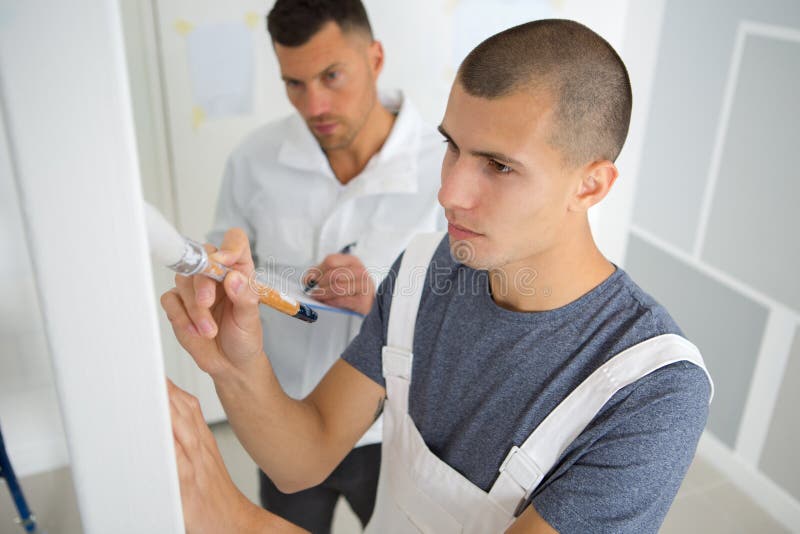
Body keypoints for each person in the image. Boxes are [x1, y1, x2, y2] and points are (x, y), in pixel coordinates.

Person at [163, 19, 713, 533]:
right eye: (452, 147)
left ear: (590, 186)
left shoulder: (652, 389)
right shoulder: (424, 271)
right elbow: (304, 458)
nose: (449, 192)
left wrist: (235, 518)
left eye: (498, 166)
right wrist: (237, 366)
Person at [206, 0, 445, 530]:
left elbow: (472, 304)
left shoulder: (446, 168)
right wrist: (220, 281)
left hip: (399, 434)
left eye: (331, 76)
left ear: (375, 57)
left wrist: (379, 300)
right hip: (283, 418)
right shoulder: (253, 160)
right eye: (294, 83)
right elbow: (217, 261)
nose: (314, 103)